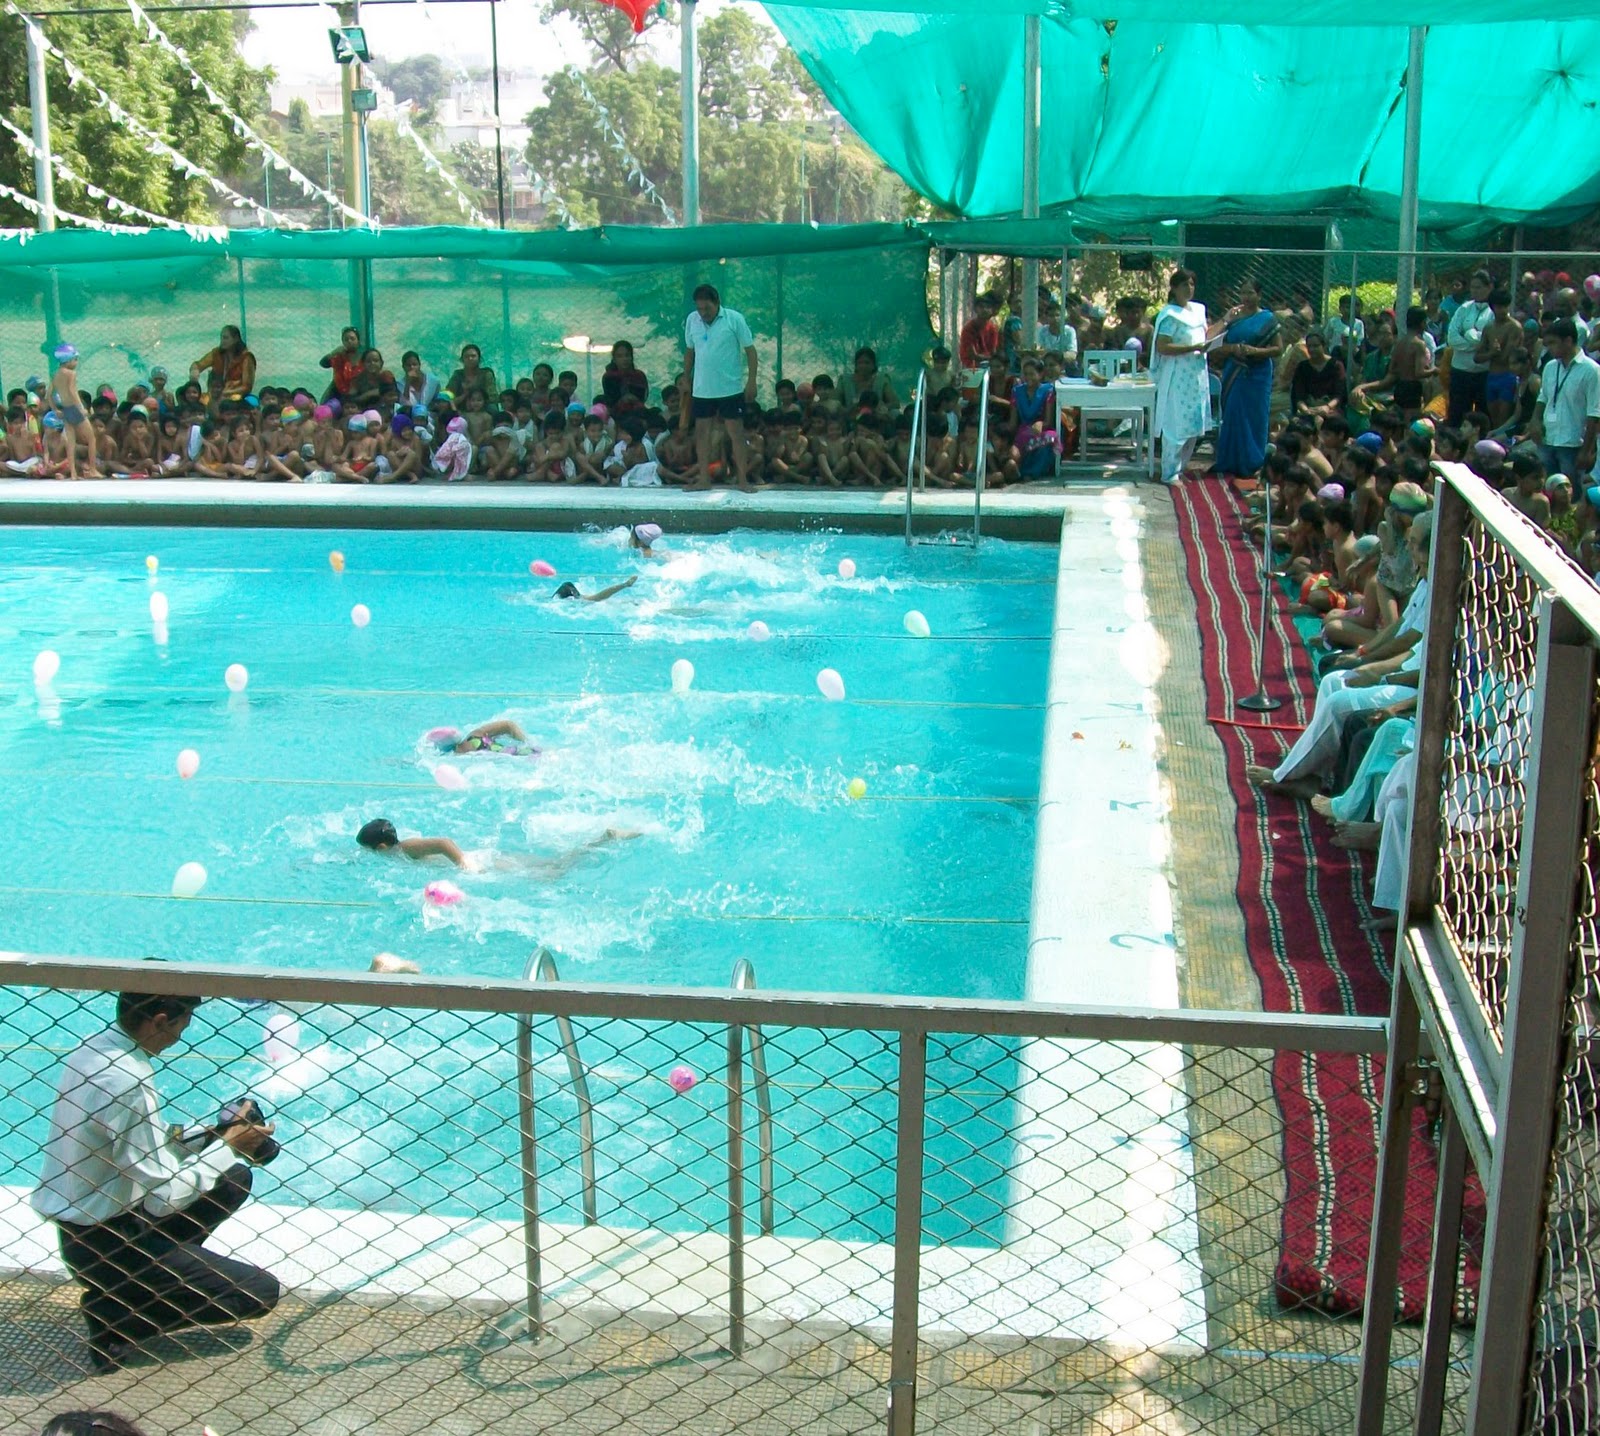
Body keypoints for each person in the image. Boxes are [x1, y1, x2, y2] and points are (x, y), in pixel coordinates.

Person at [31, 990, 280, 1373]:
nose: (183, 1035)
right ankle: (116, 1318)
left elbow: (144, 1143)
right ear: (161, 1021)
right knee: (260, 1294)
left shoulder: (93, 1050)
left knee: (233, 1178)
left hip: (88, 1229)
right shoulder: (128, 1080)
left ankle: (146, 1285)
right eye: (183, 1024)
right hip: (110, 1242)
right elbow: (164, 1196)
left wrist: (214, 1135)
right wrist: (230, 1145)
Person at [1249, 513, 1433, 793]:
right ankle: (1315, 771)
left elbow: (1410, 644)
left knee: (1338, 702)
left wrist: (1376, 670)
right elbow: (1402, 632)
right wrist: (1364, 656)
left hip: (1410, 684)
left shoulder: (1440, 596)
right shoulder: (1424, 584)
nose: (1408, 549)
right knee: (1334, 681)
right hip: (1398, 671)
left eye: (1415, 544)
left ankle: (1284, 776)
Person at [1151, 268, 1228, 486]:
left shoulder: (1197, 310)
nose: (1189, 288)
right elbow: (1163, 346)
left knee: (1193, 424)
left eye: (1192, 284)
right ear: (1174, 289)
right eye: (1184, 284)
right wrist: (1192, 347)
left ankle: (1181, 467)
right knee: (1176, 424)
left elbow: (1205, 336)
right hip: (1177, 375)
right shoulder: (1169, 315)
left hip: (1196, 375)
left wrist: (1226, 320)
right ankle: (1169, 472)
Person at [355, 817, 633, 875]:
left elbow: (443, 842)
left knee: (555, 871)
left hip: (482, 863)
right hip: (484, 858)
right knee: (553, 864)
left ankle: (603, 839)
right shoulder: (401, 848)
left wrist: (465, 865)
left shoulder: (405, 849)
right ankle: (602, 839)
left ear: (380, 848)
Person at [683, 284, 760, 492]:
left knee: (736, 433)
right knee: (702, 434)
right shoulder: (692, 320)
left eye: (707, 308)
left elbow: (751, 352)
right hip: (702, 389)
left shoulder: (734, 319)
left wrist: (751, 381)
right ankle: (704, 480)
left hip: (730, 387)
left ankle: (742, 480)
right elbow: (690, 351)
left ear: (717, 303)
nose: (703, 313)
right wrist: (685, 377)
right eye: (699, 309)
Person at [1212, 278, 1282, 478]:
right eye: (1243, 293)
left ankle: (1252, 461)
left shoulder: (1268, 318)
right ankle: (1230, 460)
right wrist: (1233, 349)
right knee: (1233, 413)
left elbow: (1278, 349)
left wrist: (1254, 351)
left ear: (1259, 295)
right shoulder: (1234, 317)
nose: (1247, 297)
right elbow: (1217, 343)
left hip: (1257, 373)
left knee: (1255, 415)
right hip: (1235, 371)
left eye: (1251, 293)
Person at [1526, 318, 1600, 479]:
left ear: (1568, 341)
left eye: (1553, 343)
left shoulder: (1591, 370)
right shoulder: (1551, 367)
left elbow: (1594, 414)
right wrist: (1535, 421)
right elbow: (1543, 397)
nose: (1549, 347)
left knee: (1570, 493)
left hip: (1572, 442)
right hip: (1547, 438)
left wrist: (1586, 451)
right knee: (1549, 487)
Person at [1444, 269, 1494, 423]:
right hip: (1460, 371)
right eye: (1473, 287)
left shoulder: (1494, 311)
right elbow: (1452, 338)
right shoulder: (1464, 308)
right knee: (1457, 414)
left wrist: (1468, 334)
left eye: (1479, 287)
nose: (1475, 291)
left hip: (1482, 373)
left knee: (1481, 416)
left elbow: (1490, 340)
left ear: (1489, 287)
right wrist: (1475, 343)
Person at [46, 344, 98, 479]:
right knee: (91, 439)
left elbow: (49, 394)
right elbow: (73, 392)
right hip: (74, 408)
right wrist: (82, 408)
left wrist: (55, 409)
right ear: (68, 360)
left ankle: (74, 473)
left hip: (65, 409)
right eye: (75, 359)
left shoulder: (56, 374)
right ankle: (92, 469)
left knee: (71, 442)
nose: (76, 363)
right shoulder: (71, 374)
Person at [190, 325, 256, 410]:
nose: (222, 341)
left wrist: (225, 392)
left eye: (225, 338)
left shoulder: (246, 358)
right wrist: (194, 371)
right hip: (215, 392)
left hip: (235, 394)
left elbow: (247, 386)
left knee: (229, 401)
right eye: (221, 338)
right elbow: (198, 364)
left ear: (235, 339)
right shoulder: (216, 353)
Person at [427, 719, 538, 756]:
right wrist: (526, 741)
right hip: (525, 752)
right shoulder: (474, 735)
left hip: (515, 760)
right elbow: (508, 725)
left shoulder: (455, 759)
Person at [837, 346, 899, 412]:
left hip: (877, 417)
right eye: (860, 363)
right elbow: (835, 403)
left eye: (867, 363)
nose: (863, 366)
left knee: (895, 412)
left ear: (873, 365)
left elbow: (895, 403)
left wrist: (881, 408)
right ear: (856, 365)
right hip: (850, 416)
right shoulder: (845, 380)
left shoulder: (881, 380)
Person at [601, 340, 650, 410]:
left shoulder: (639, 375)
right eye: (620, 356)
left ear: (631, 357)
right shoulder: (609, 377)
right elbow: (611, 402)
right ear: (614, 359)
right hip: (616, 414)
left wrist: (633, 400)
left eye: (627, 355)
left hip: (638, 412)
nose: (624, 359)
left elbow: (643, 397)